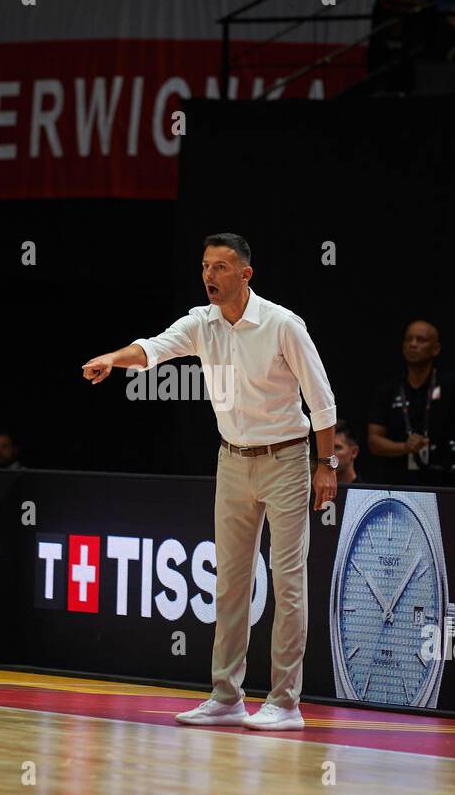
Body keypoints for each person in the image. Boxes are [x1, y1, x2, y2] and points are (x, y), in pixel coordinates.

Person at [82, 233, 337, 732]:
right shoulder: (201, 324)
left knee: (288, 584)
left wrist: (325, 464)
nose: (209, 276)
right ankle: (226, 696)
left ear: (246, 274)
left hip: (286, 458)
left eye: (221, 267)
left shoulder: (283, 324)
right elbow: (153, 350)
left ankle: (285, 702)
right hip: (232, 460)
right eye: (204, 267)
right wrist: (113, 359)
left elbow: (321, 399)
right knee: (230, 583)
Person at [367, 320, 455, 486]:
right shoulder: (388, 388)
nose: (413, 344)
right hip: (397, 482)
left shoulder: (452, 382)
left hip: (443, 480)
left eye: (421, 340)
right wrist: (405, 447)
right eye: (409, 339)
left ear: (436, 349)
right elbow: (374, 440)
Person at [334, 420, 362, 485]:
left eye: (337, 447)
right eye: (327, 448)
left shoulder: (367, 493)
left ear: (354, 452)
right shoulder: (311, 491)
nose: (330, 454)